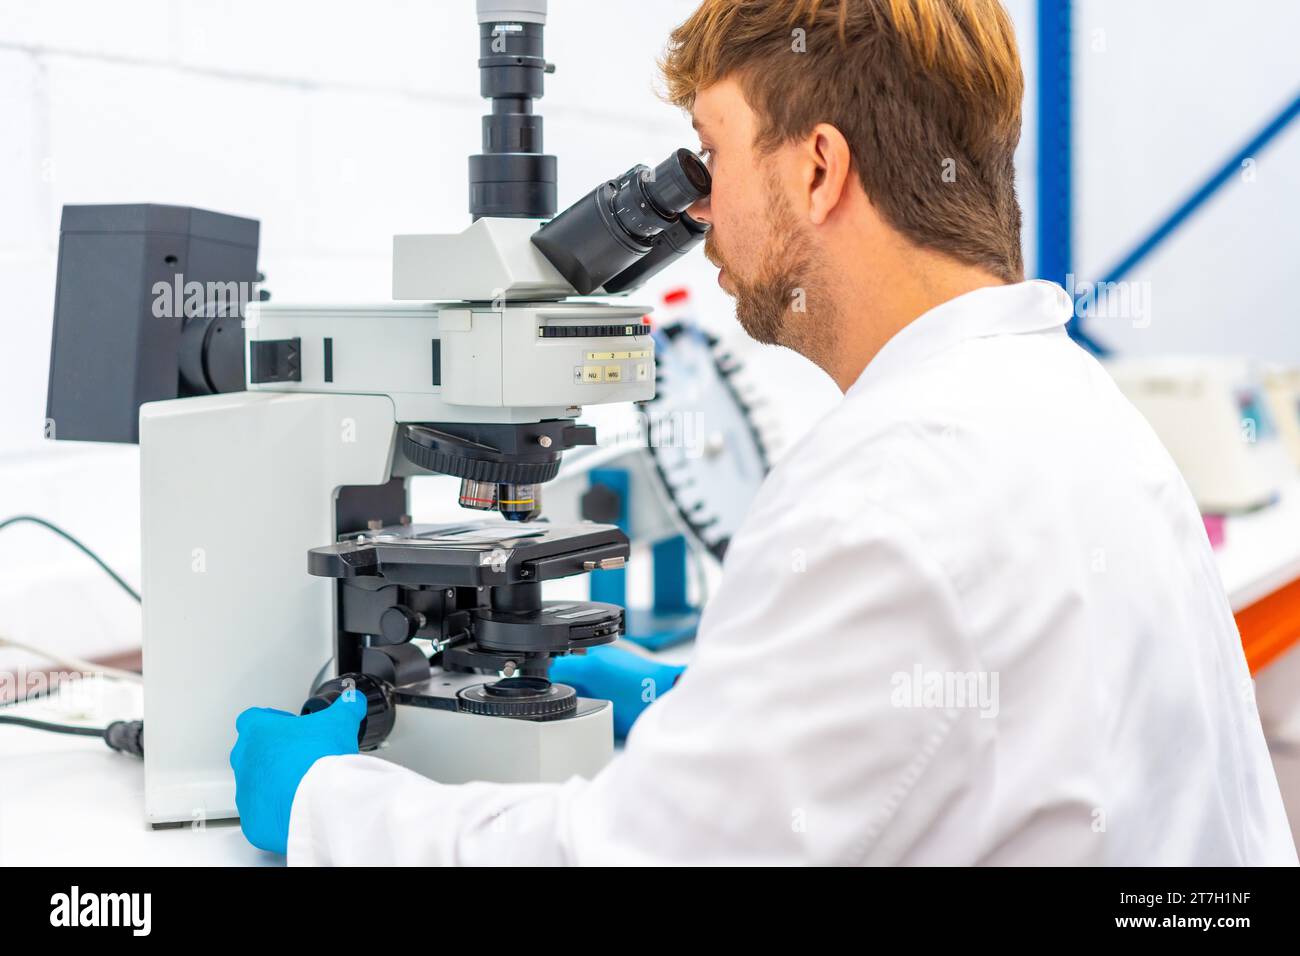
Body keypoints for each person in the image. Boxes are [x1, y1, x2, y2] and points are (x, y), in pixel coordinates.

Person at [230, 0, 1297, 865]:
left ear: (818, 168)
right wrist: (719, 714)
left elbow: (626, 863)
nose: (697, 215)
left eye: (710, 155)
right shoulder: (1070, 404)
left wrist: (327, 803)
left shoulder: (892, 482)